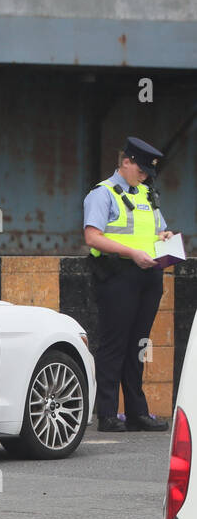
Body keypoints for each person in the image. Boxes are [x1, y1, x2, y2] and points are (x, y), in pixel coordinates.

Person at [83, 136, 176, 432]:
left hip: (149, 275)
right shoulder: (102, 194)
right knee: (114, 345)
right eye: (142, 170)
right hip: (118, 276)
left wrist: (165, 238)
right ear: (126, 162)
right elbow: (92, 237)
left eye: (149, 172)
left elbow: (159, 229)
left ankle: (137, 413)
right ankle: (108, 414)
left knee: (138, 344)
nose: (146, 175)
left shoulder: (148, 194)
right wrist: (131, 253)